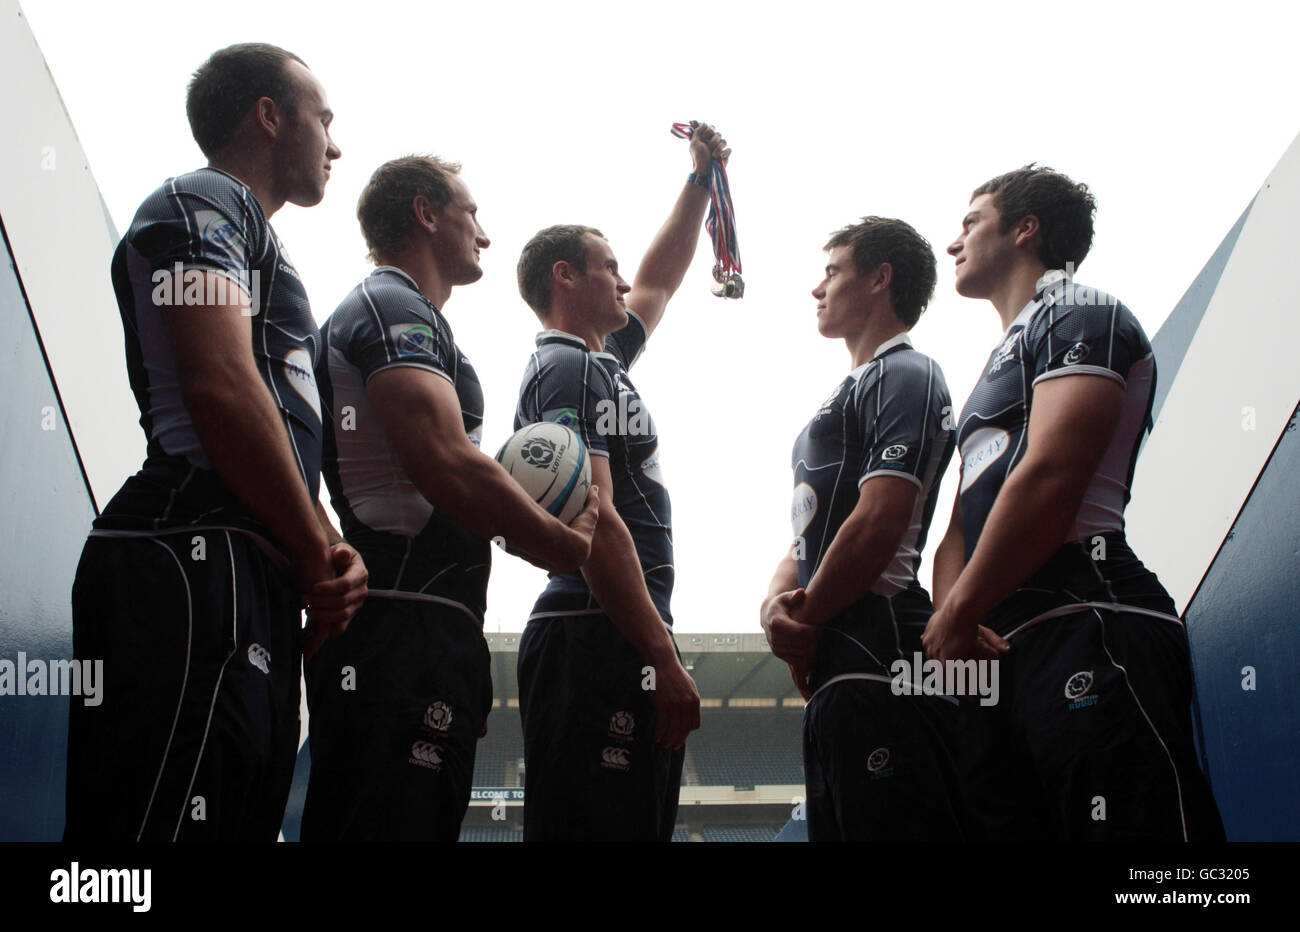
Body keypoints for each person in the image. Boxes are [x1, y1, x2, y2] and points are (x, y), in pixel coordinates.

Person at [64, 43, 367, 841]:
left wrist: (329, 545)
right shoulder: (200, 200)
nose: (336, 145)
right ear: (270, 116)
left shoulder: (261, 243)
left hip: (251, 577)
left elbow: (268, 411)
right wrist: (312, 546)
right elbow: (221, 389)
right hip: (189, 552)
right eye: (324, 119)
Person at [300, 156, 599, 841]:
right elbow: (442, 462)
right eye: (471, 214)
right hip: (398, 628)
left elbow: (456, 483)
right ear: (425, 213)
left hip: (432, 629)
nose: (485, 236)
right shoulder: (390, 304)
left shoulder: (419, 319)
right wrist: (558, 543)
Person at [923, 164, 1226, 841]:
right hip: (997, 642)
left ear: (1025, 229)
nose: (954, 241)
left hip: (1088, 614)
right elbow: (956, 530)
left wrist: (961, 611)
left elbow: (1053, 473)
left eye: (971, 221)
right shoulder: (994, 362)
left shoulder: (1082, 310)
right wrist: (953, 622)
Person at [510, 124, 732, 841]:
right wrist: (663, 657)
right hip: (594, 632)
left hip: (617, 632)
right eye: (607, 266)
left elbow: (662, 279)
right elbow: (598, 515)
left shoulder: (601, 360)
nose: (624, 279)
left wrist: (701, 178)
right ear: (564, 278)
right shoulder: (565, 368)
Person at [760, 217, 965, 841]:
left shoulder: (907, 372)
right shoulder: (845, 392)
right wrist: (774, 607)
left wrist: (808, 616)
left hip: (882, 643)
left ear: (880, 279)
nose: (817, 289)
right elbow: (810, 530)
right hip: (836, 657)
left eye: (832, 272)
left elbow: (880, 516)